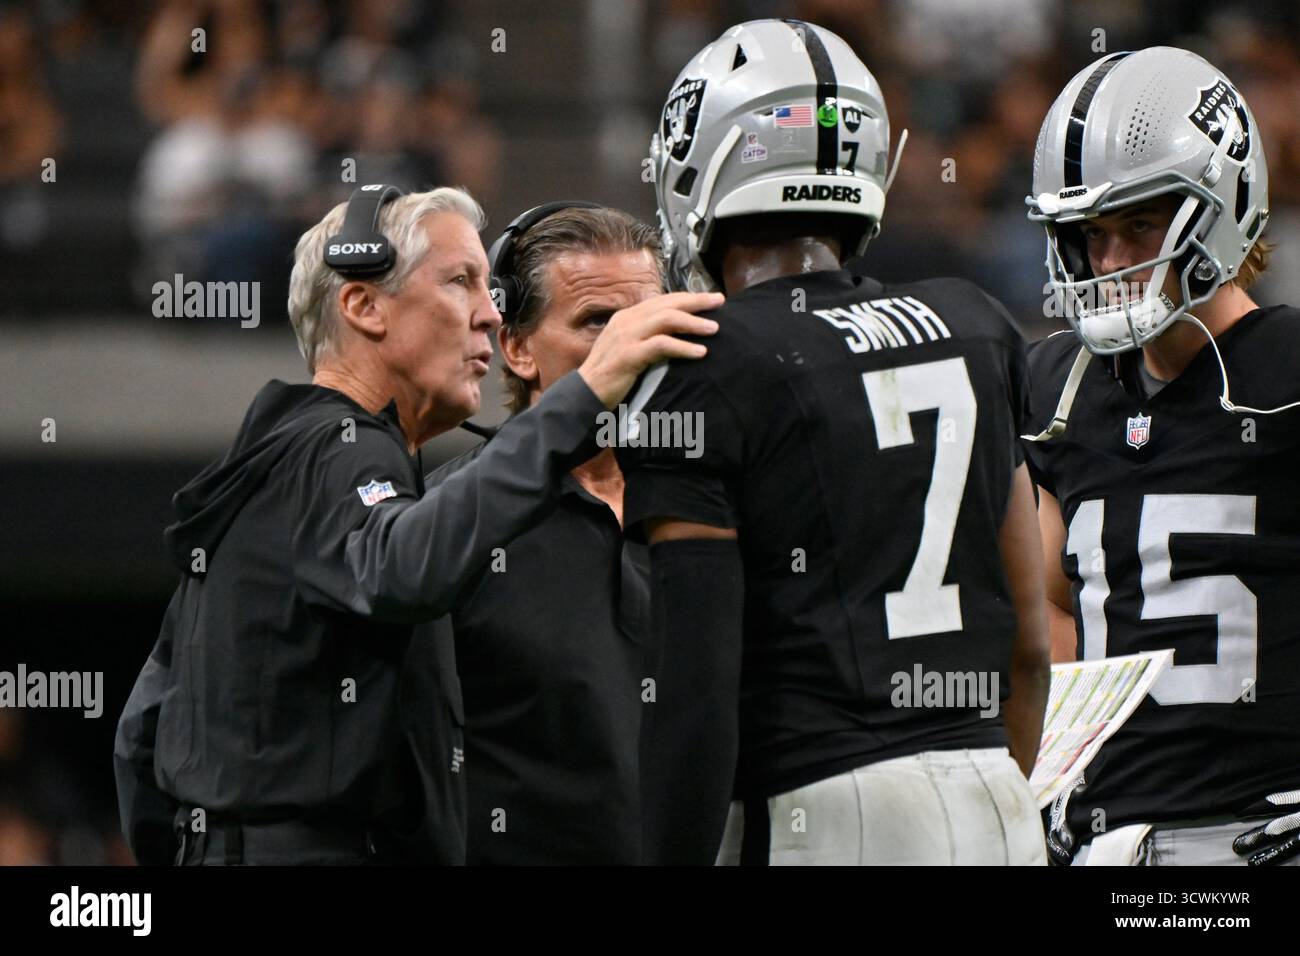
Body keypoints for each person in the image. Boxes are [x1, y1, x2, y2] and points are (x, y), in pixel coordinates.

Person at [112, 185, 721, 865]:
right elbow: (402, 570)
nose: (488, 315)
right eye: (461, 282)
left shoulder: (301, 466)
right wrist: (583, 398)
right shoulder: (338, 449)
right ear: (362, 304)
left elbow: (143, 734)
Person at [616, 19, 1050, 865]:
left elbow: (696, 696)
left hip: (826, 807)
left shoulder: (704, 365)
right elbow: (1029, 645)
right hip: (992, 787)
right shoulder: (977, 324)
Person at [1023, 46, 1300, 866]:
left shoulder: (1287, 371)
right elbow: (1053, 609)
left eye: (1141, 224)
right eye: (1093, 234)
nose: (1112, 263)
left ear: (1221, 202)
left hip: (1268, 833)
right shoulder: (1056, 386)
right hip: (1102, 838)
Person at [427, 204, 664, 865]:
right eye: (597, 323)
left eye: (644, 322)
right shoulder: (451, 523)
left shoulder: (716, 510)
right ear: (517, 347)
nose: (632, 347)